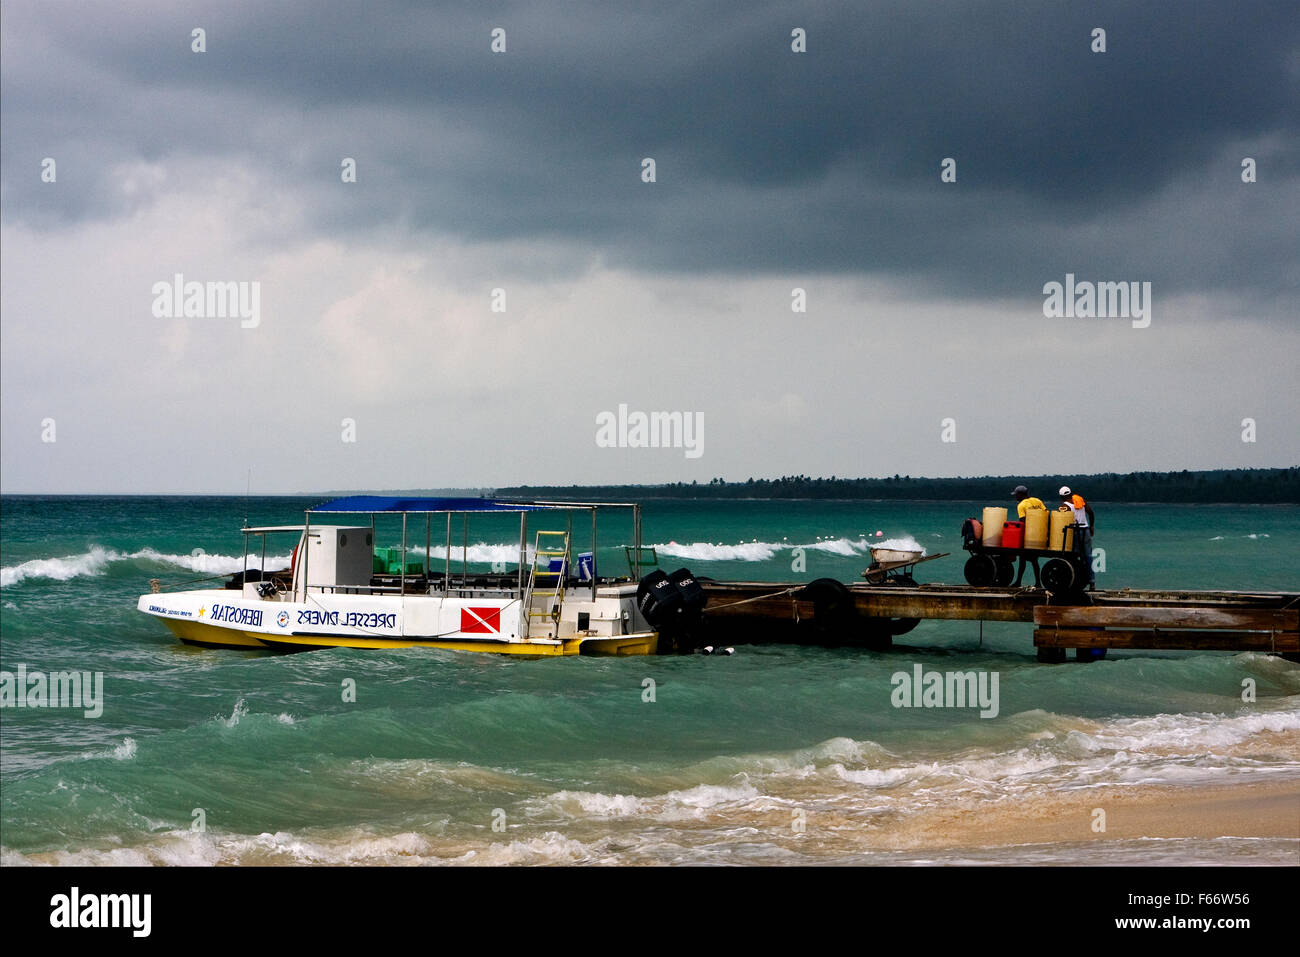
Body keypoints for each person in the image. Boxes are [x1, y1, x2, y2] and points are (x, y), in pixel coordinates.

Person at [1058, 485, 1095, 589]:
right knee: (1088, 557)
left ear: (1061, 496)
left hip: (1074, 531)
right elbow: (1091, 513)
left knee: (1073, 556)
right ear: (1070, 493)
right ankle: (1092, 583)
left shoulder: (1065, 506)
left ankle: (1073, 579)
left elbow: (1061, 519)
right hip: (1086, 530)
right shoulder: (1081, 501)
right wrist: (1092, 526)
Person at [1011, 485, 1046, 586]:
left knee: (1023, 559)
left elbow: (1022, 522)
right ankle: (1038, 582)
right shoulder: (1037, 501)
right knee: (1034, 560)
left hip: (1029, 535)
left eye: (1016, 495)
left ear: (1021, 494)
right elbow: (1045, 513)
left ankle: (1018, 581)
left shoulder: (1021, 505)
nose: (1015, 497)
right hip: (1040, 534)